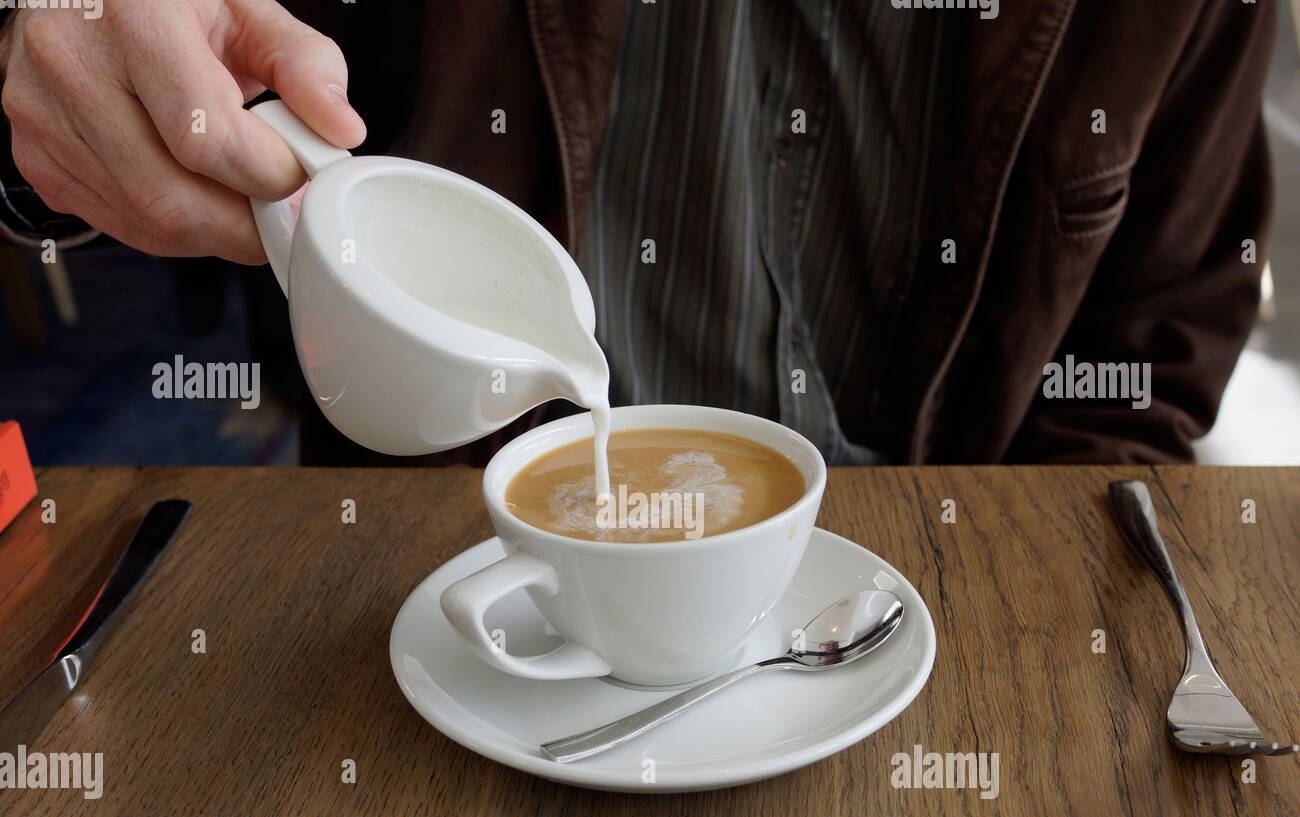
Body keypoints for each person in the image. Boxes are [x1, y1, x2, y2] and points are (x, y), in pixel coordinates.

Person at [0, 0, 1277, 465]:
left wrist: (1009, 618)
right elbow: (122, 35)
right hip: (451, 581)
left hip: (941, 626)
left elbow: (1154, 353)